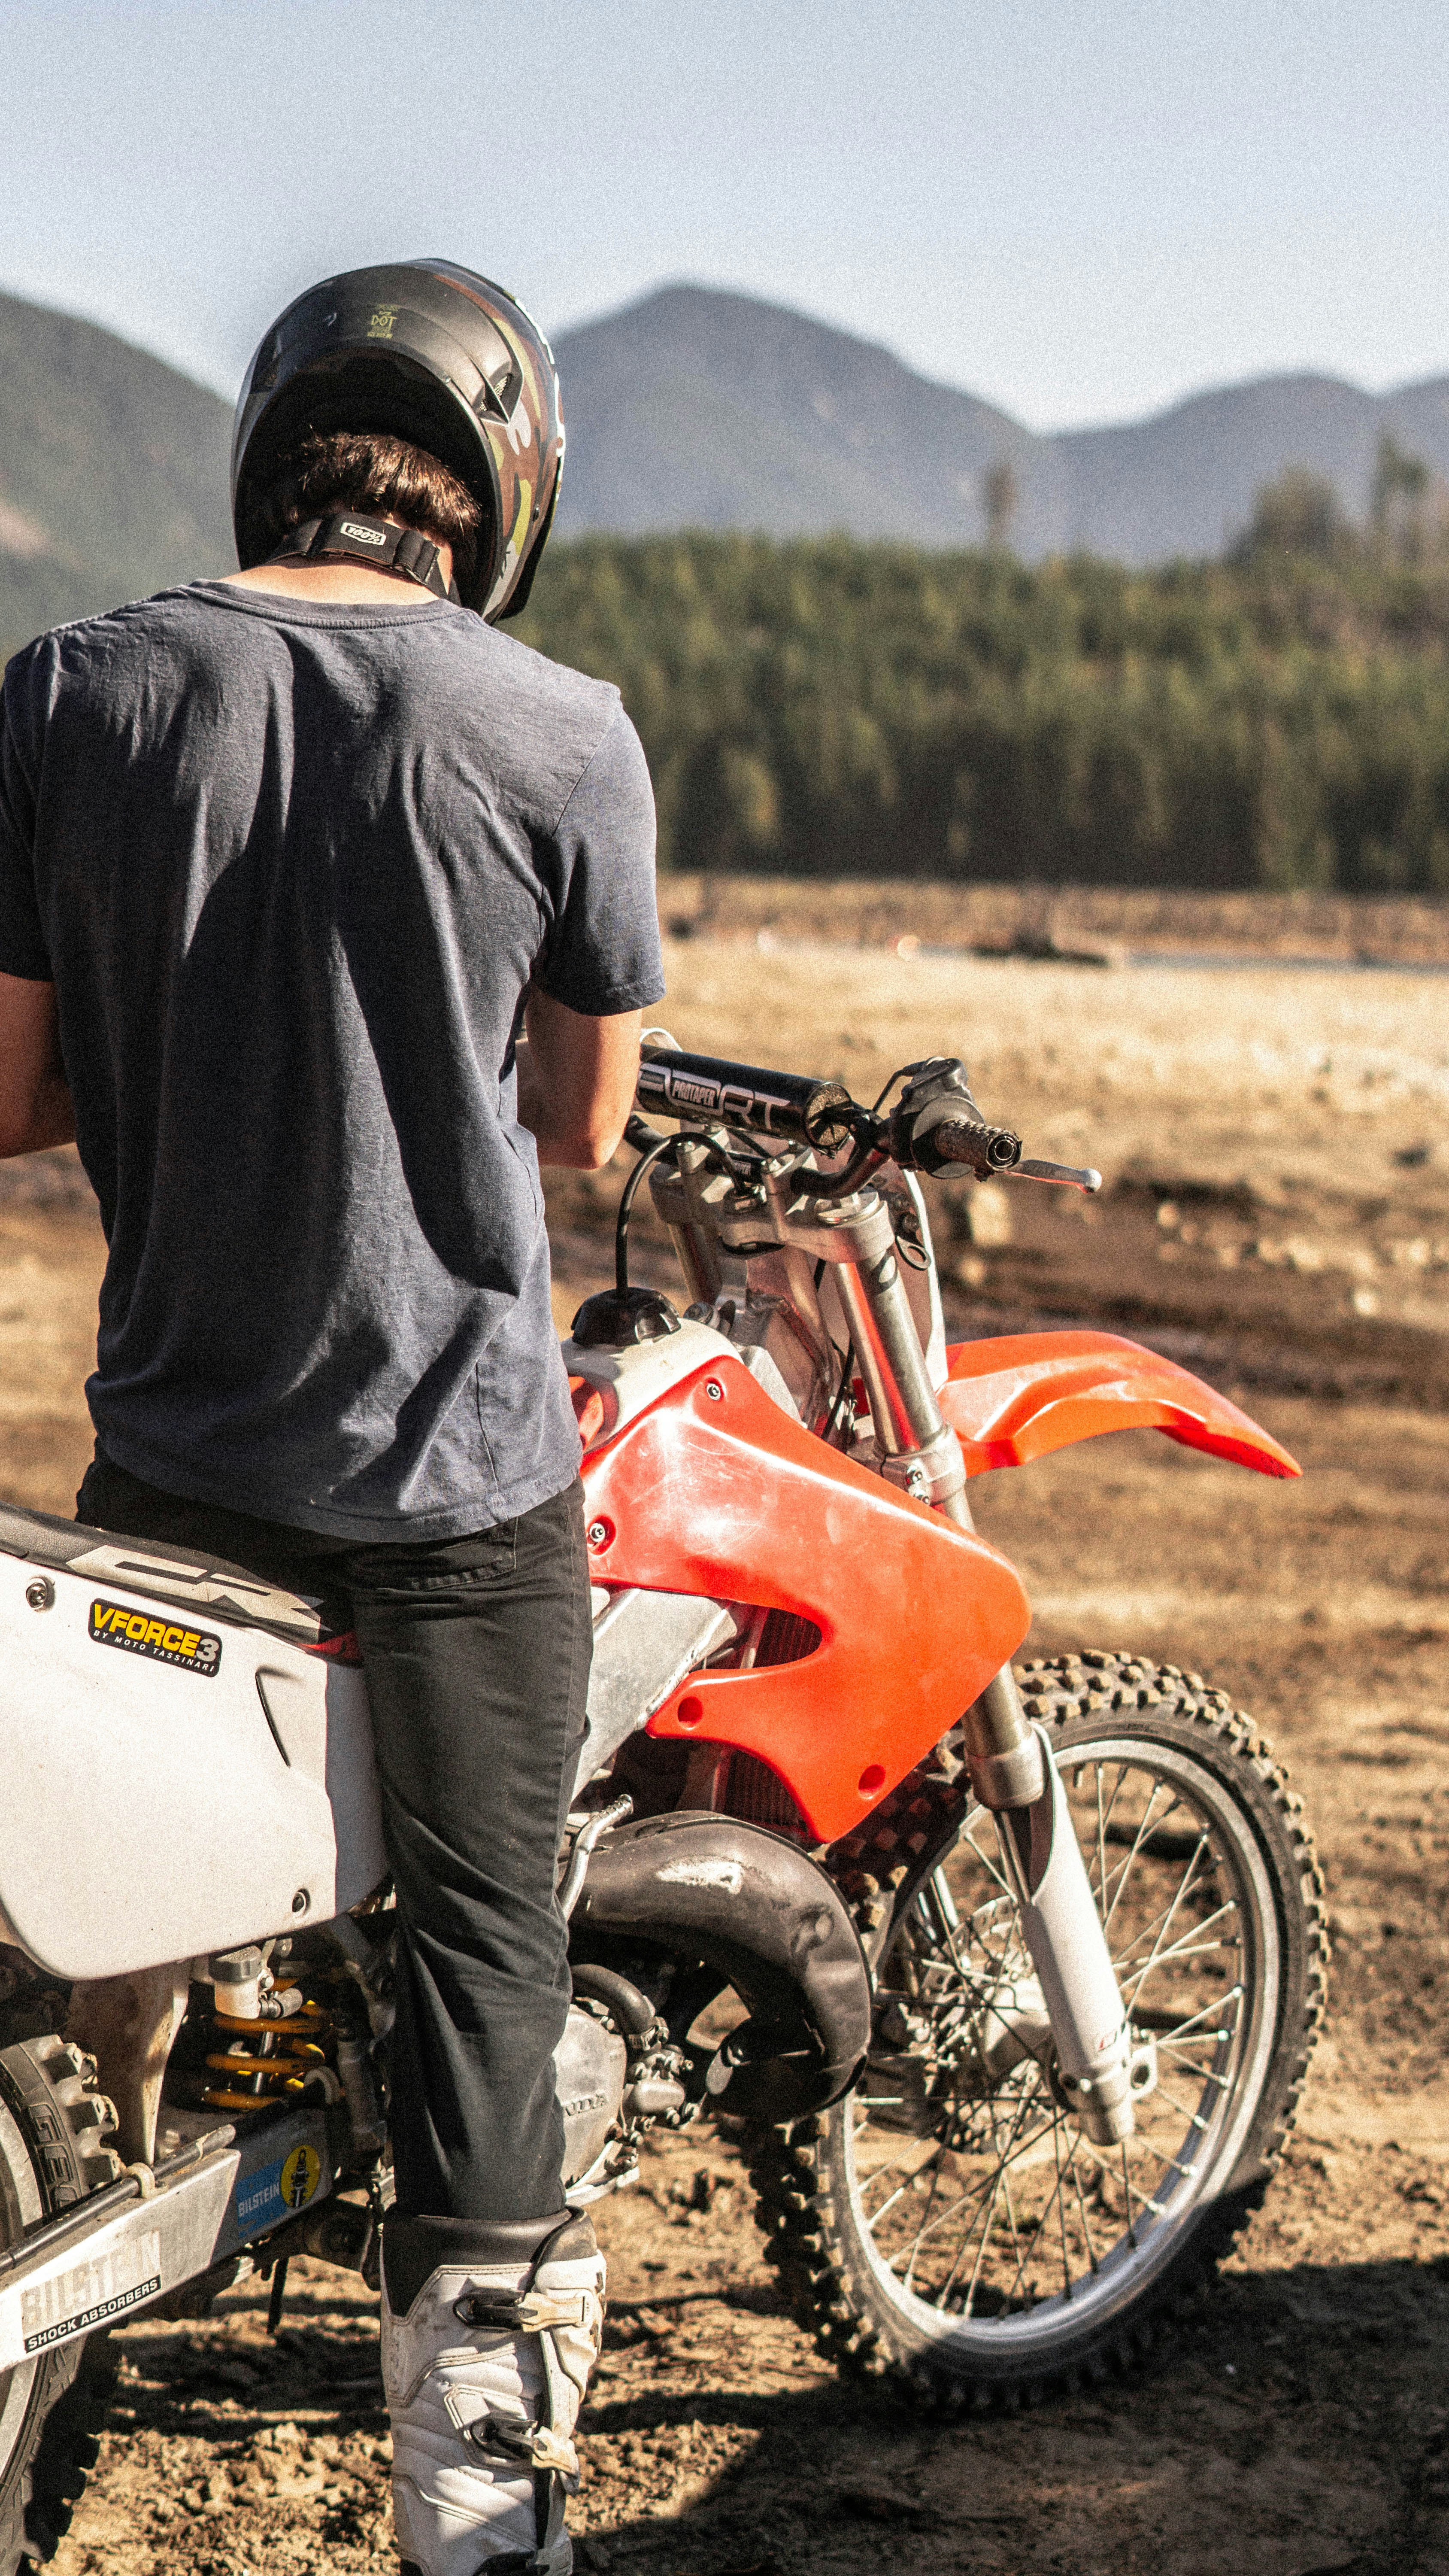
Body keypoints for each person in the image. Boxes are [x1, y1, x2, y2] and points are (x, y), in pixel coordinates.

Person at [0, 259, 665, 2576]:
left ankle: (68, 2294)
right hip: (455, 1486)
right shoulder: (565, 727)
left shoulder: (71, 686)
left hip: (175, 1448)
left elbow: (7, 1091)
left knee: (92, 1932)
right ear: (490, 498)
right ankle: (477, 2519)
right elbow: (584, 1129)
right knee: (495, 1966)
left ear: (278, 447)